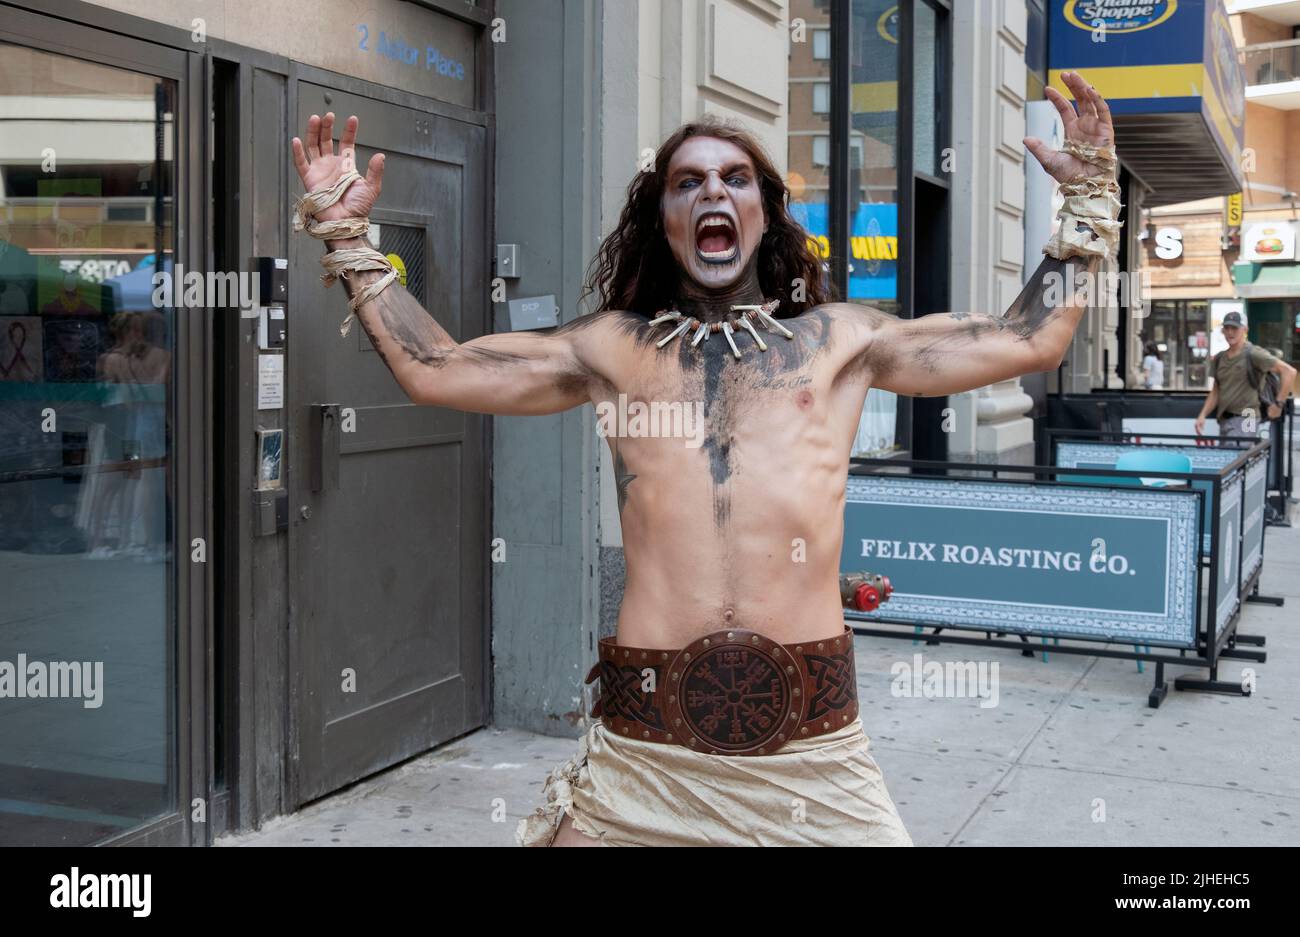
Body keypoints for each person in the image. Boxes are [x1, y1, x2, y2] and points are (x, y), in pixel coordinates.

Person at [290, 71, 1121, 847]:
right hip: (645, 750)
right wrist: (351, 237)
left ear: (765, 212)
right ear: (666, 218)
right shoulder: (611, 349)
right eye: (688, 182)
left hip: (813, 753)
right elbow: (434, 368)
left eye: (735, 179)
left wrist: (1084, 200)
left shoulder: (843, 341)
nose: (712, 192)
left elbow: (1029, 338)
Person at [1195, 311, 1296, 442]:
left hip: (1248, 416)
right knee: (1231, 459)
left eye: (1234, 328)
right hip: (1225, 420)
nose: (1230, 332)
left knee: (1237, 459)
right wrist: (1202, 415)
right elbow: (1216, 391)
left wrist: (1279, 404)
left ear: (1245, 330)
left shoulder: (1254, 354)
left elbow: (1289, 372)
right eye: (1227, 328)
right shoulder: (1219, 358)